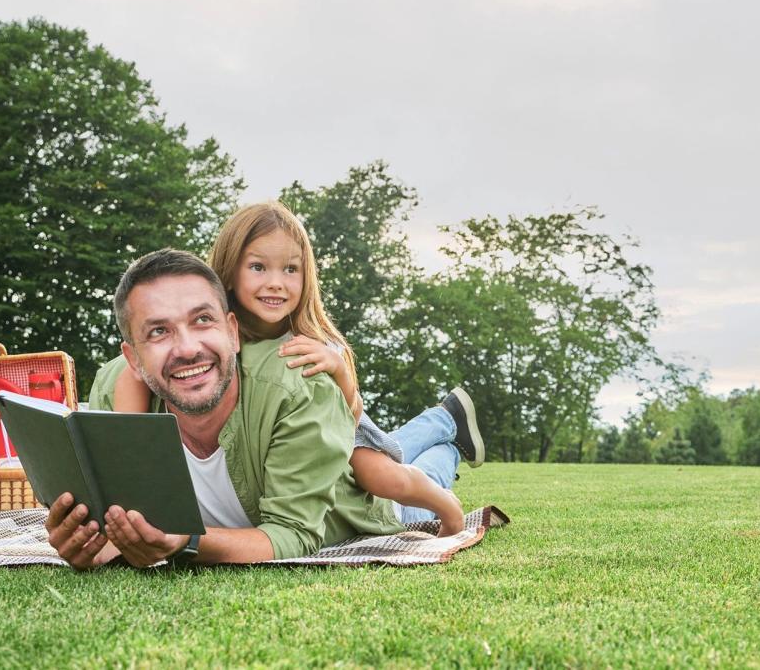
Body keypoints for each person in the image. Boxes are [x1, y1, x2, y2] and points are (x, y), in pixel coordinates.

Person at [45, 249, 479, 569]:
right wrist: (90, 546)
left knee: (409, 480)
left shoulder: (297, 384)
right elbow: (113, 531)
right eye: (158, 331)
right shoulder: (114, 393)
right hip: (326, 441)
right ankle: (444, 420)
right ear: (134, 358)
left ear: (233, 331)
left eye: (202, 320)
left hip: (366, 503)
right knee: (395, 447)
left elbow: (293, 534)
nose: (188, 348)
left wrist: (187, 540)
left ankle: (449, 438)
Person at [110, 201, 481, 535]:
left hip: (335, 425)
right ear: (229, 268)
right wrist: (132, 454)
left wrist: (337, 368)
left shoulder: (311, 340)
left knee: (382, 478)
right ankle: (445, 421)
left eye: (291, 269)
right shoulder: (212, 328)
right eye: (258, 267)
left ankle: (445, 489)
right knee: (393, 455)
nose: (276, 283)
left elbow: (349, 414)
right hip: (282, 426)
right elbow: (133, 374)